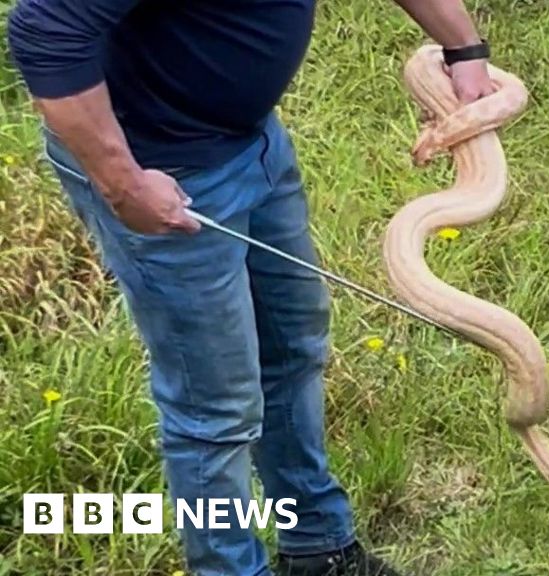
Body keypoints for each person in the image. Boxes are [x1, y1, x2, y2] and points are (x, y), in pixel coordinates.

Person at [6, 1, 495, 574]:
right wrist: (123, 183)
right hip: (166, 180)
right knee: (215, 406)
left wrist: (463, 48)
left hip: (252, 143)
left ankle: (318, 547)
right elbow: (46, 30)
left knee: (291, 349)